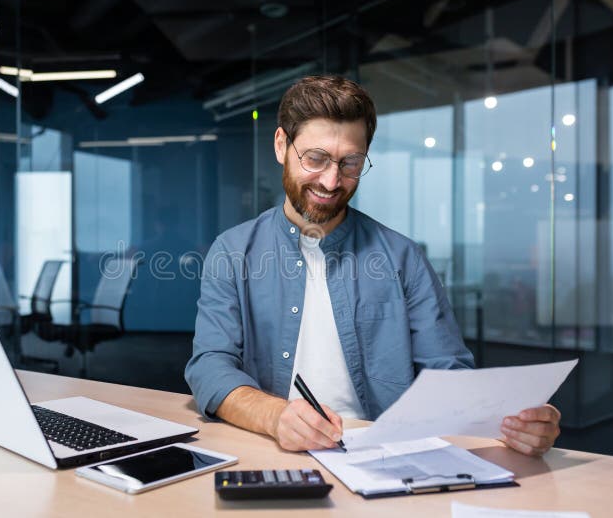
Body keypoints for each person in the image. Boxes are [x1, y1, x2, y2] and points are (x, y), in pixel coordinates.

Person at [185, 75, 561, 456]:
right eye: (315, 159)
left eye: (350, 163)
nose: (332, 181)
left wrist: (511, 421)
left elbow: (447, 375)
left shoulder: (403, 258)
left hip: (385, 459)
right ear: (282, 145)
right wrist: (275, 416)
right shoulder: (233, 252)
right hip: (272, 452)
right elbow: (210, 366)